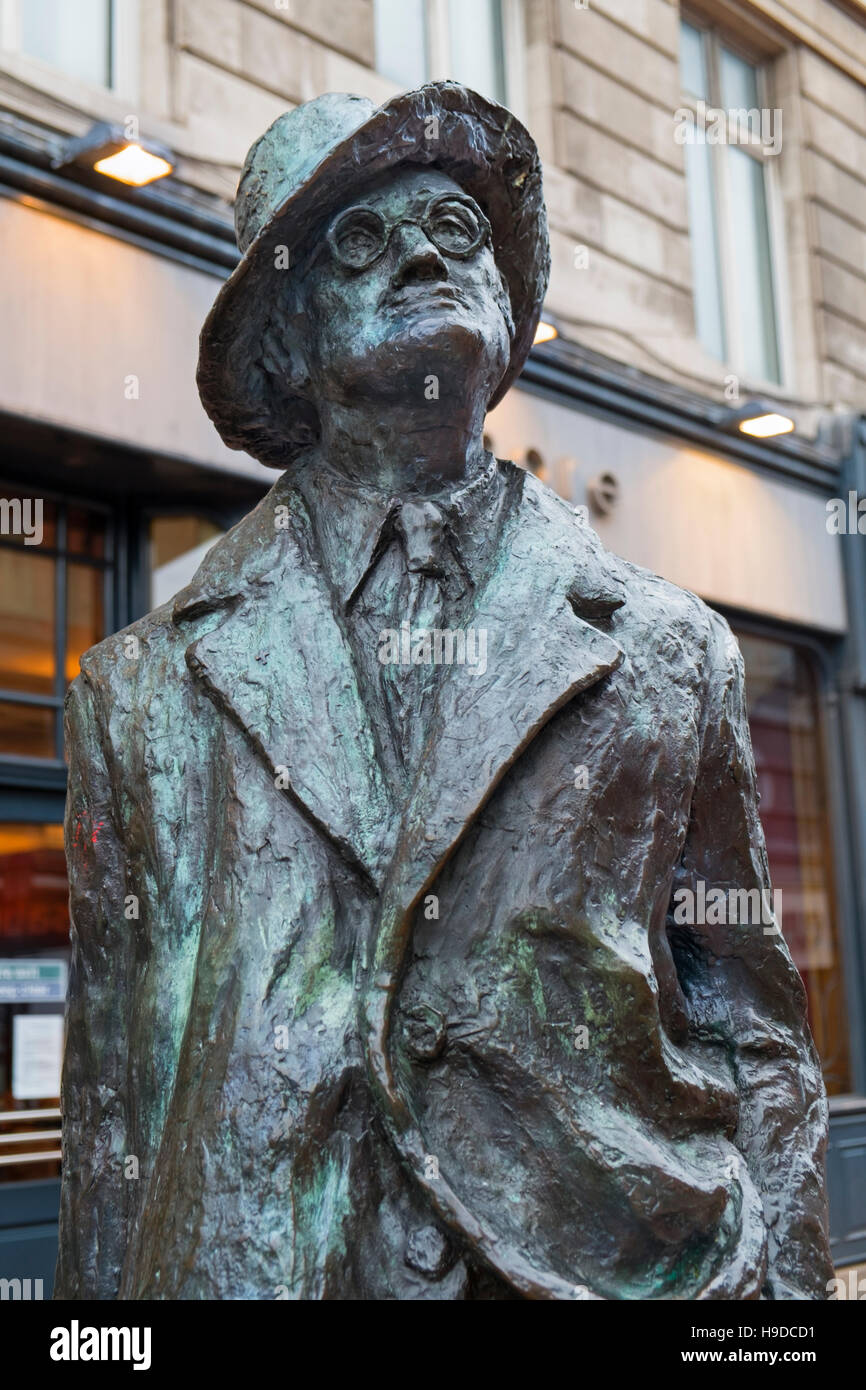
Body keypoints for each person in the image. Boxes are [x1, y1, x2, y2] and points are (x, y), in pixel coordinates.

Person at [56, 82, 832, 1300]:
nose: (422, 246)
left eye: (456, 227)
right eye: (360, 237)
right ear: (285, 338)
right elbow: (109, 1103)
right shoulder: (138, 689)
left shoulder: (670, 649)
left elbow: (754, 1026)